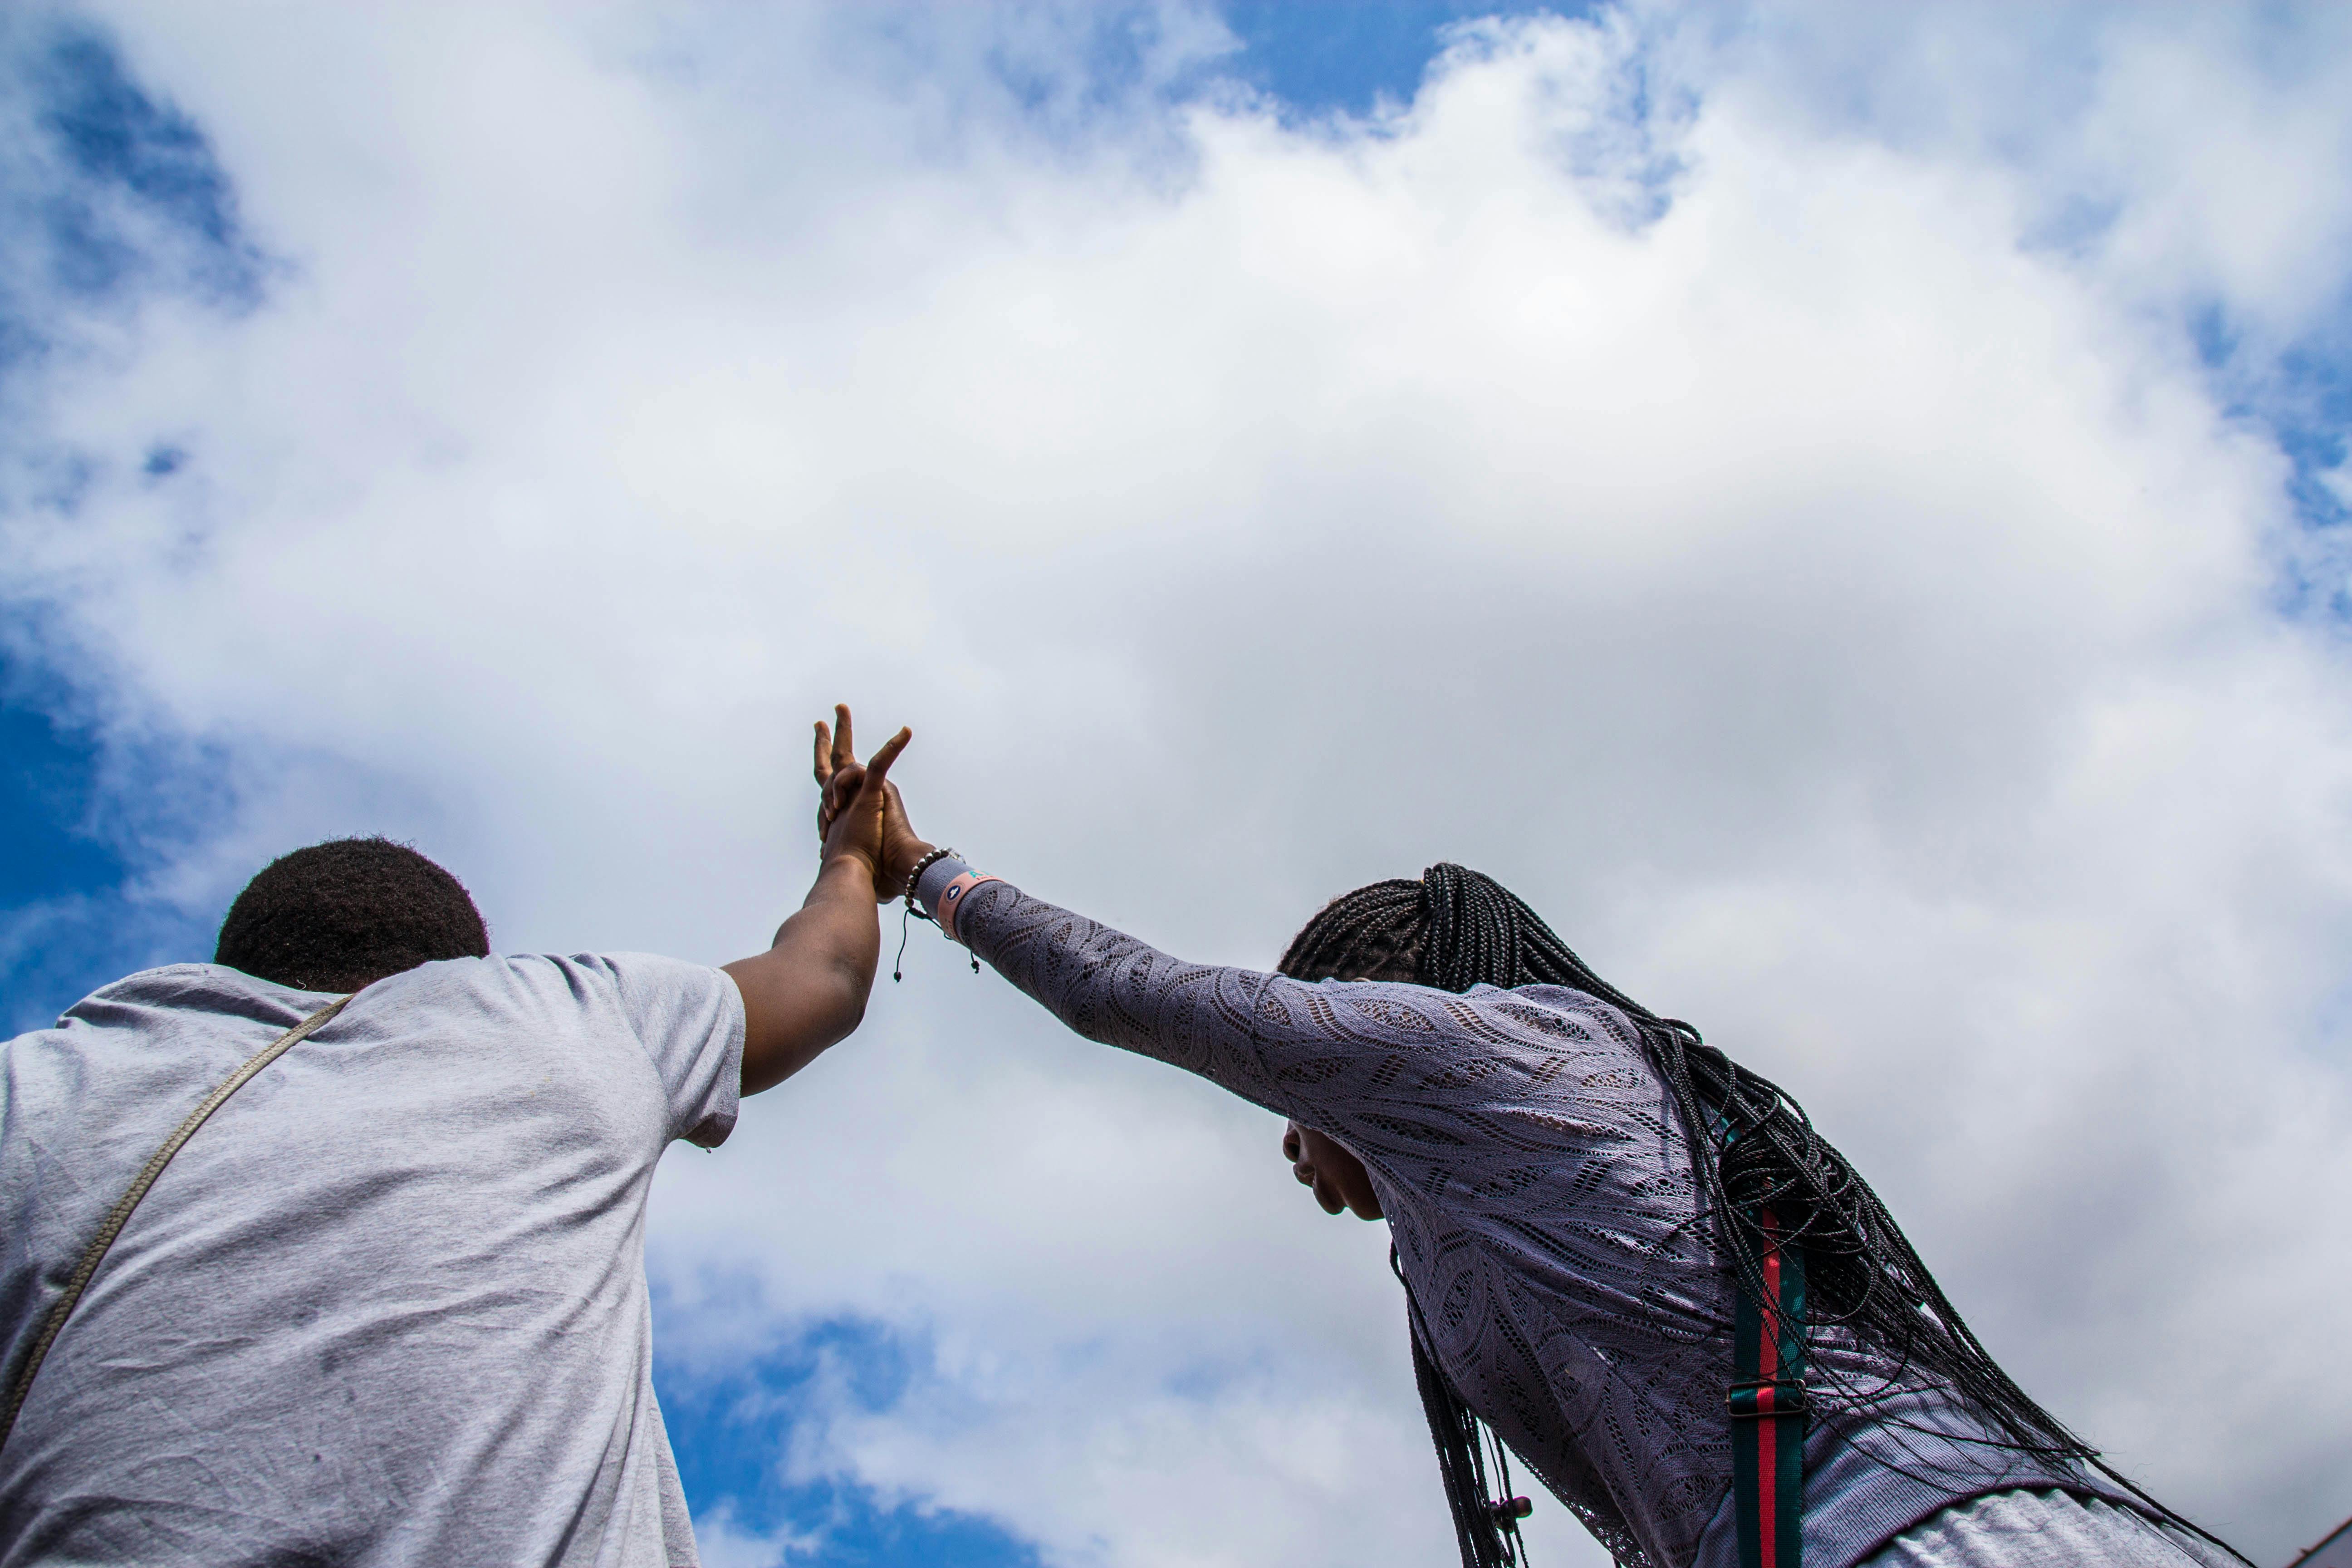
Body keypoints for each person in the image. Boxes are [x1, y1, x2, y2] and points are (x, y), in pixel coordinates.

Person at [815, 711, 2247, 1568]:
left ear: (1364, 1031)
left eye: (1301, 1091)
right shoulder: (1481, 1186)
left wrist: (918, 871)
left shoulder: (1488, 1053)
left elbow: (1132, 995)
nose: (1291, 1145)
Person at [0, 710, 912, 1567]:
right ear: (459, 972)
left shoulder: (37, 1091)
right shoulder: (572, 1018)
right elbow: (825, 974)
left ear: (235, 971)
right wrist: (849, 857)